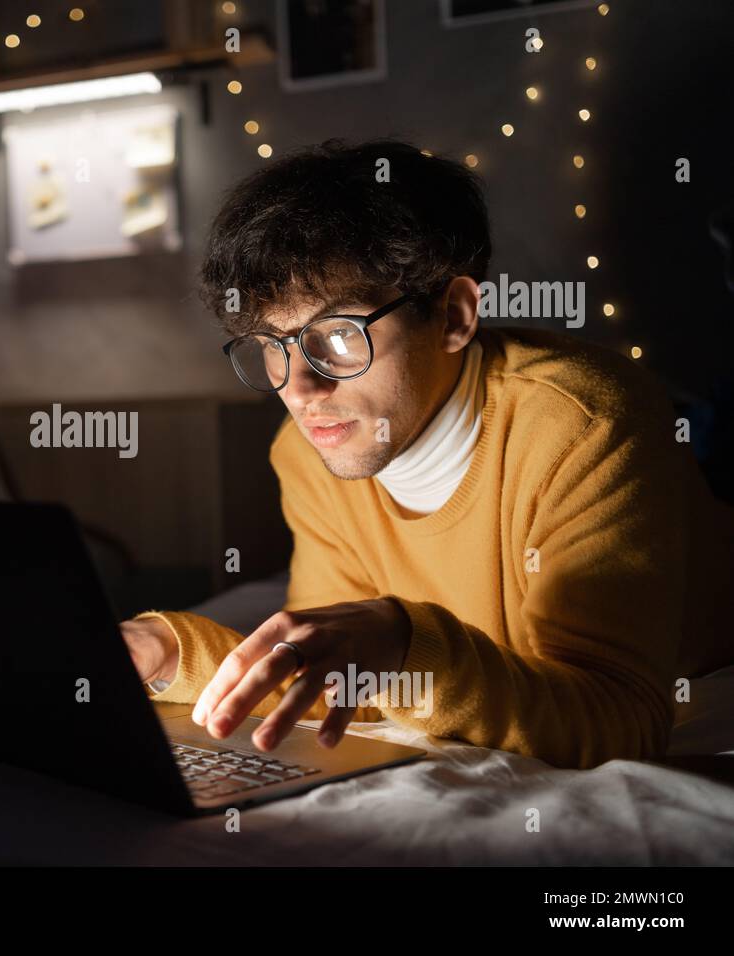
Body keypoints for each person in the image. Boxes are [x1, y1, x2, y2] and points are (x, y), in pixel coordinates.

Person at [121, 139, 734, 769]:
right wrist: (170, 651)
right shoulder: (308, 451)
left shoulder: (587, 423)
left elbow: (618, 721)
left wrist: (405, 641)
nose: (299, 389)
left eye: (337, 335)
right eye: (271, 343)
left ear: (455, 315)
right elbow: (334, 676)